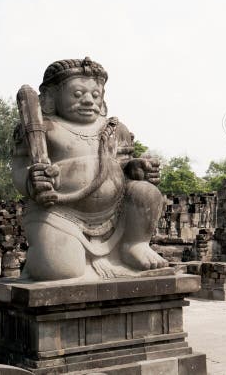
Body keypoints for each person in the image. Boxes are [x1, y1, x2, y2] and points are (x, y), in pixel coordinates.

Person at [12, 57, 169, 280]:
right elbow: (19, 166)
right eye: (77, 94)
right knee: (61, 271)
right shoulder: (41, 127)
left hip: (115, 212)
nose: (88, 101)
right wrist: (31, 179)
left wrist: (135, 167)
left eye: (95, 95)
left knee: (146, 192)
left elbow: (121, 163)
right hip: (58, 213)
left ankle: (135, 244)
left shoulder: (114, 128)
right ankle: (43, 259)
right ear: (50, 97)